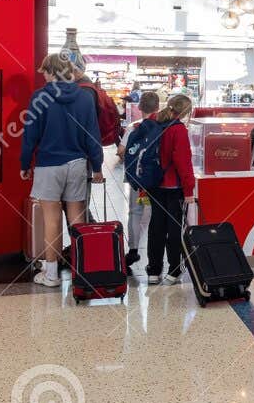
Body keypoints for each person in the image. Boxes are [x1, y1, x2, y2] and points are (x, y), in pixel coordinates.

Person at [21, 52, 105, 287]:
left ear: (50, 71)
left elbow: (30, 135)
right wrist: (97, 166)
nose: (44, 76)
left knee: (51, 220)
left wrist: (25, 163)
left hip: (49, 165)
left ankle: (51, 275)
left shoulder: (40, 97)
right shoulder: (85, 97)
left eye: (45, 72)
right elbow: (92, 135)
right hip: (77, 164)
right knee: (77, 219)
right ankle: (82, 271)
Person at [145, 92, 197, 284]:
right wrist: (189, 190)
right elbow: (183, 162)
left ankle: (153, 270)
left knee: (156, 225)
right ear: (185, 111)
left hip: (154, 184)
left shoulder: (154, 123)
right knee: (174, 228)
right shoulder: (178, 130)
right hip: (173, 186)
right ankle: (173, 271)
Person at [119, 90, 161, 269]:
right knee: (154, 215)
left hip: (136, 179)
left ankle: (133, 250)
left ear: (140, 107)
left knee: (135, 213)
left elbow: (121, 151)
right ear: (158, 107)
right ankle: (155, 254)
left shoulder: (133, 128)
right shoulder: (162, 126)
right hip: (156, 180)